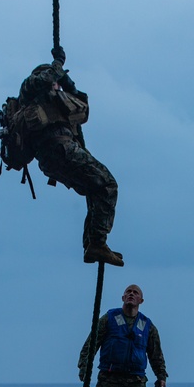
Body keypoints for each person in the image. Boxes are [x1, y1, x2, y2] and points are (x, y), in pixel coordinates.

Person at [18, 46, 123, 267]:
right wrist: (58, 63)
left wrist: (66, 80)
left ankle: (93, 246)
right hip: (58, 150)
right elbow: (46, 79)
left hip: (57, 156)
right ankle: (97, 242)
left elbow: (79, 102)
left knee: (94, 189)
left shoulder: (59, 104)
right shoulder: (31, 88)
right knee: (107, 185)